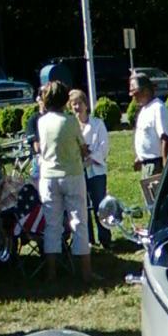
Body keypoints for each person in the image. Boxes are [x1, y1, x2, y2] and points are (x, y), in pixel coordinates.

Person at [36, 80, 93, 284]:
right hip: (72, 174)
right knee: (79, 223)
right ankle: (85, 272)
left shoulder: (41, 122)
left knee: (52, 225)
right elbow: (83, 146)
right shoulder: (70, 121)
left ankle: (51, 273)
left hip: (49, 176)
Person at [69, 89, 111, 249]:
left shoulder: (97, 124)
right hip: (78, 172)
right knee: (82, 205)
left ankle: (105, 238)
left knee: (99, 204)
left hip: (96, 172)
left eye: (79, 103)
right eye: (74, 105)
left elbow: (104, 147)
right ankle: (88, 239)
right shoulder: (71, 127)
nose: (77, 107)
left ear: (86, 105)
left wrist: (90, 160)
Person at [130, 71, 168, 178]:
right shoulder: (144, 109)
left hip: (156, 166)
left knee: (155, 194)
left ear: (145, 90)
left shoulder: (158, 108)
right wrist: (140, 158)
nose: (131, 95)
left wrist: (165, 167)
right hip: (146, 165)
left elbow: (165, 139)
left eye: (133, 91)